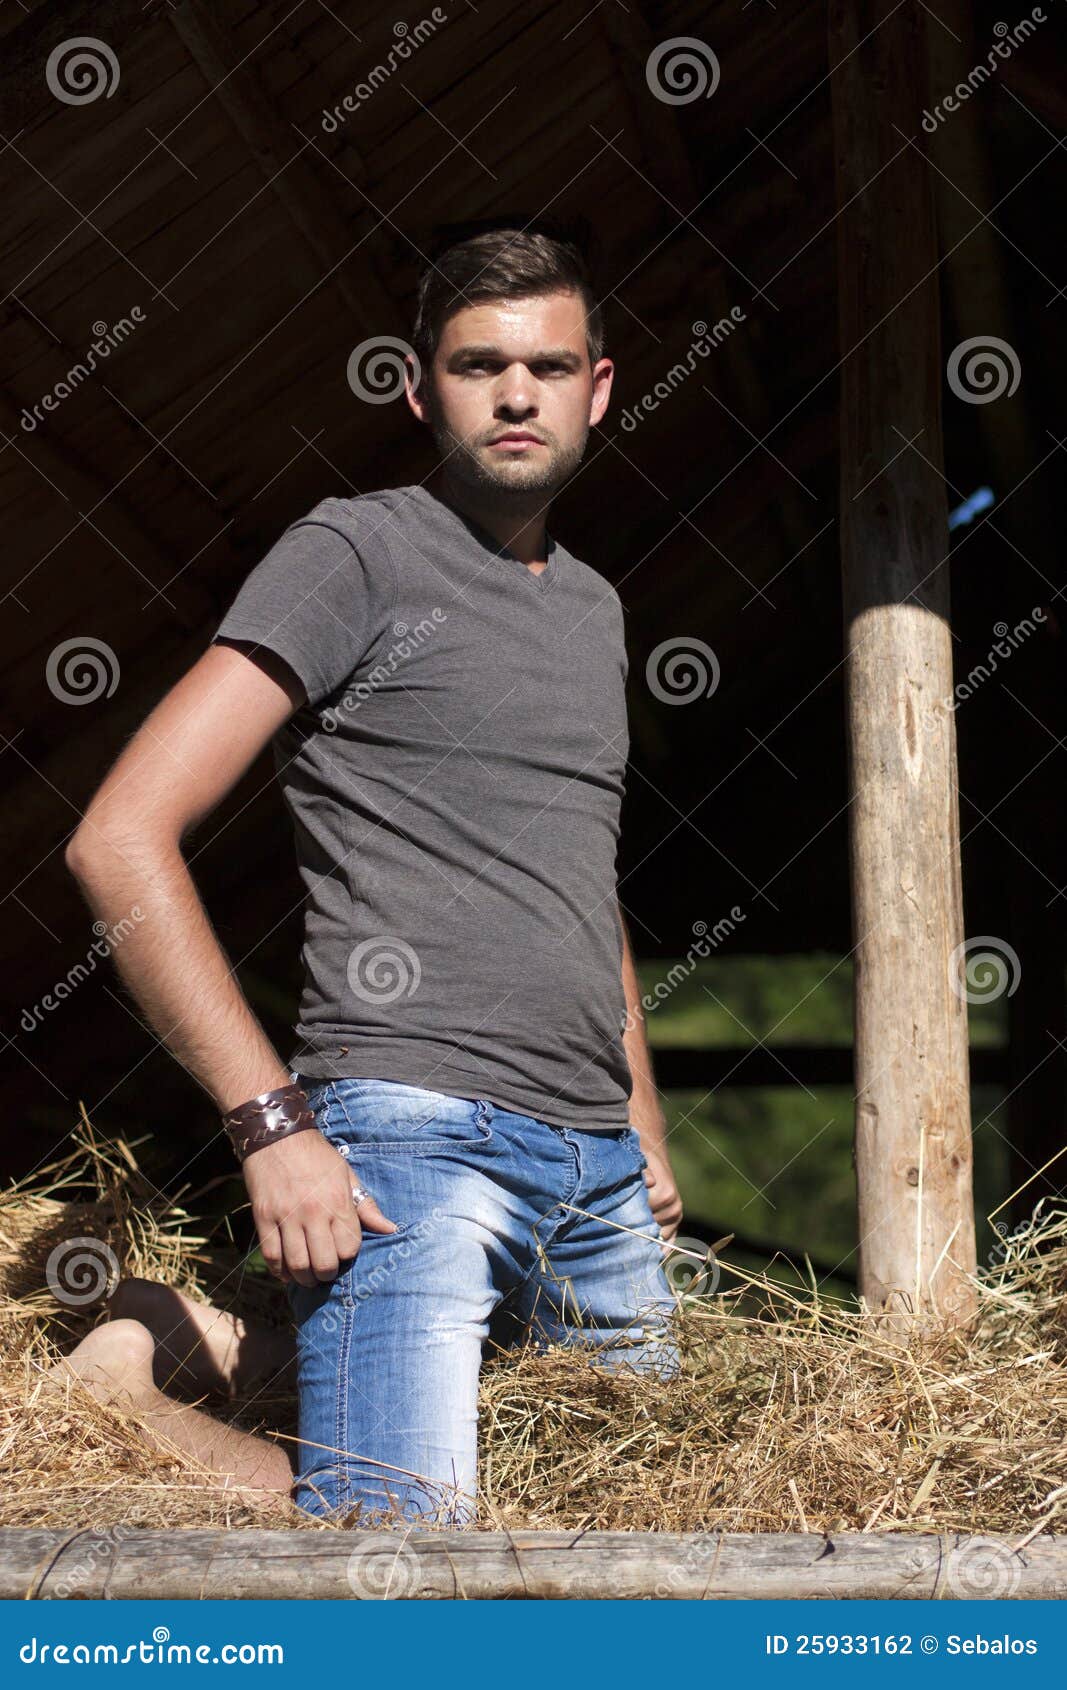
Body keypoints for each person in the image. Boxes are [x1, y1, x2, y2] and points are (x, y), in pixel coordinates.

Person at [64, 214, 684, 1526]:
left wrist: (645, 1120)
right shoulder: (353, 553)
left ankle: (244, 1345)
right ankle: (122, 1399)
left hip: (600, 1178)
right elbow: (119, 835)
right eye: (477, 366)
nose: (517, 393)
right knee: (398, 1542)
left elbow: (578, 868)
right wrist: (269, 1120)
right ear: (419, 388)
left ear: (600, 387)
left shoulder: (597, 610)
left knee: (644, 1535)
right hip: (411, 1144)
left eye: (550, 366)